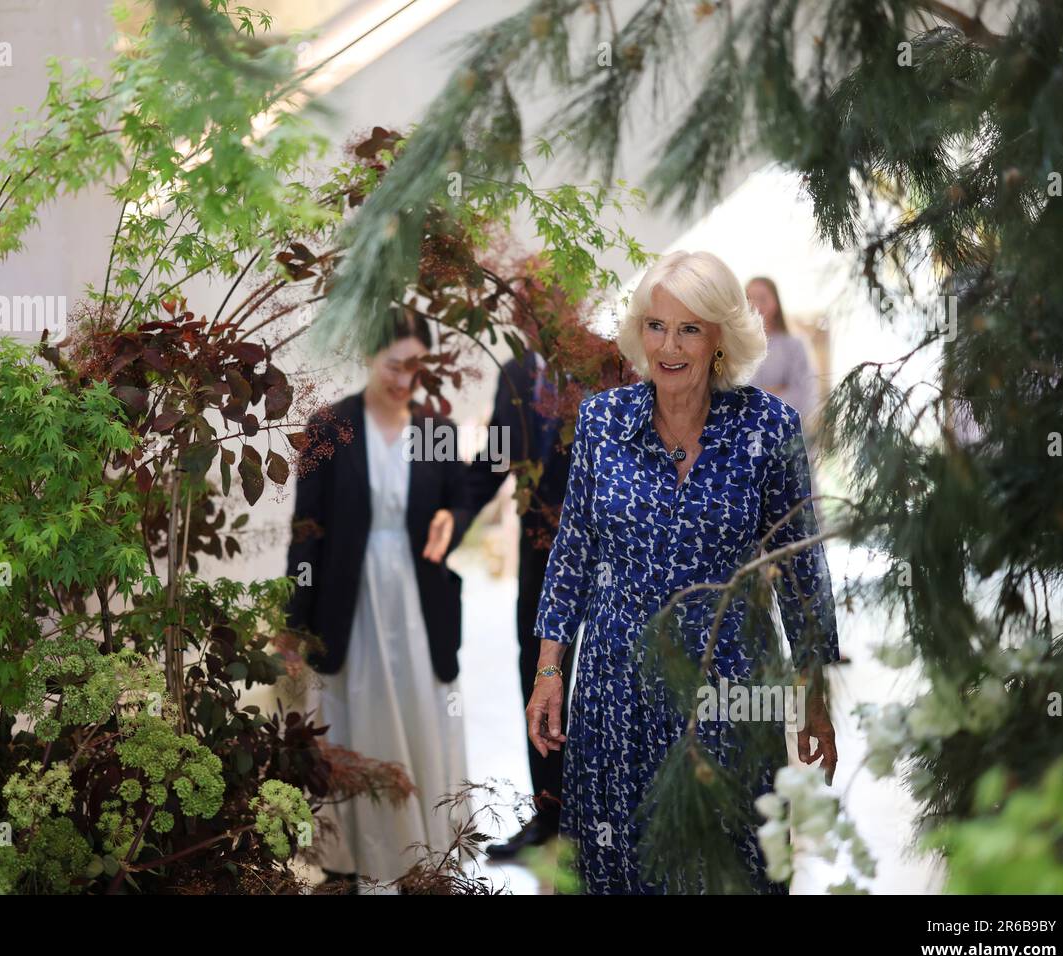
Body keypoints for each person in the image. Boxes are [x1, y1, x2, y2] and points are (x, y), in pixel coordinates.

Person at [526, 251, 841, 894]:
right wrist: (549, 668)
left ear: (721, 337)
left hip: (729, 685)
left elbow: (802, 567)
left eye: (689, 329)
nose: (668, 346)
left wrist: (814, 689)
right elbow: (573, 553)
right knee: (621, 860)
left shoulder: (768, 428)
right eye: (656, 326)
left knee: (728, 860)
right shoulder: (601, 423)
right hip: (617, 688)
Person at [282, 308, 472, 891]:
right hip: (350, 601)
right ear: (370, 358)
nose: (404, 377)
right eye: (395, 365)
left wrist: (454, 522)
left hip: (420, 604)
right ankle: (351, 856)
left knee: (423, 710)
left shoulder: (435, 427)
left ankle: (425, 851)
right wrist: (293, 623)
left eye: (415, 365)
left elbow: (459, 500)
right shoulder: (330, 426)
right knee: (353, 716)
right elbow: (306, 530)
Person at [466, 351, 574, 859]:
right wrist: (437, 513)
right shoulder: (514, 372)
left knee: (595, 680)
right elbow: (494, 458)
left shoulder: (600, 362)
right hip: (536, 551)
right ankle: (548, 812)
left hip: (604, 556)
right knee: (537, 672)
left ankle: (596, 816)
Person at [745, 277, 818, 427]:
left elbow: (805, 393)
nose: (756, 305)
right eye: (749, 299)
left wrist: (761, 399)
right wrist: (776, 390)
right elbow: (737, 396)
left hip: (787, 434)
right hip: (747, 436)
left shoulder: (795, 344)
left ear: (776, 302)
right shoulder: (737, 346)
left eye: (762, 298)